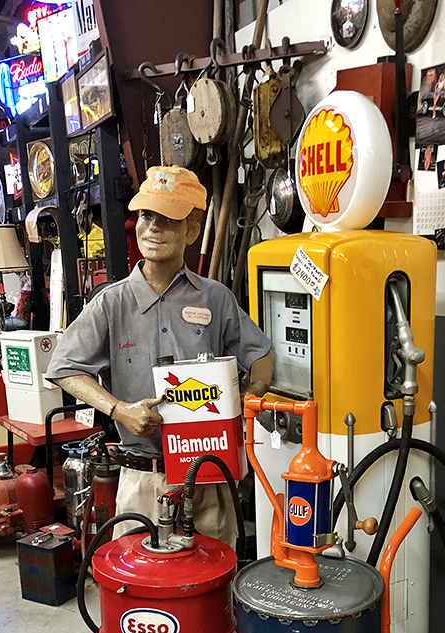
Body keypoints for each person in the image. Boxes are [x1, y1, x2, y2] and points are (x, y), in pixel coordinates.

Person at [46, 165, 274, 544]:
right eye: (146, 216)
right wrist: (120, 410)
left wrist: (253, 393)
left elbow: (260, 352)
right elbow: (64, 368)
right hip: (141, 482)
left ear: (192, 230)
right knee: (144, 593)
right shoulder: (112, 303)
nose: (151, 228)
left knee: (211, 589)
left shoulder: (215, 298)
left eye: (168, 219)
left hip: (208, 480)